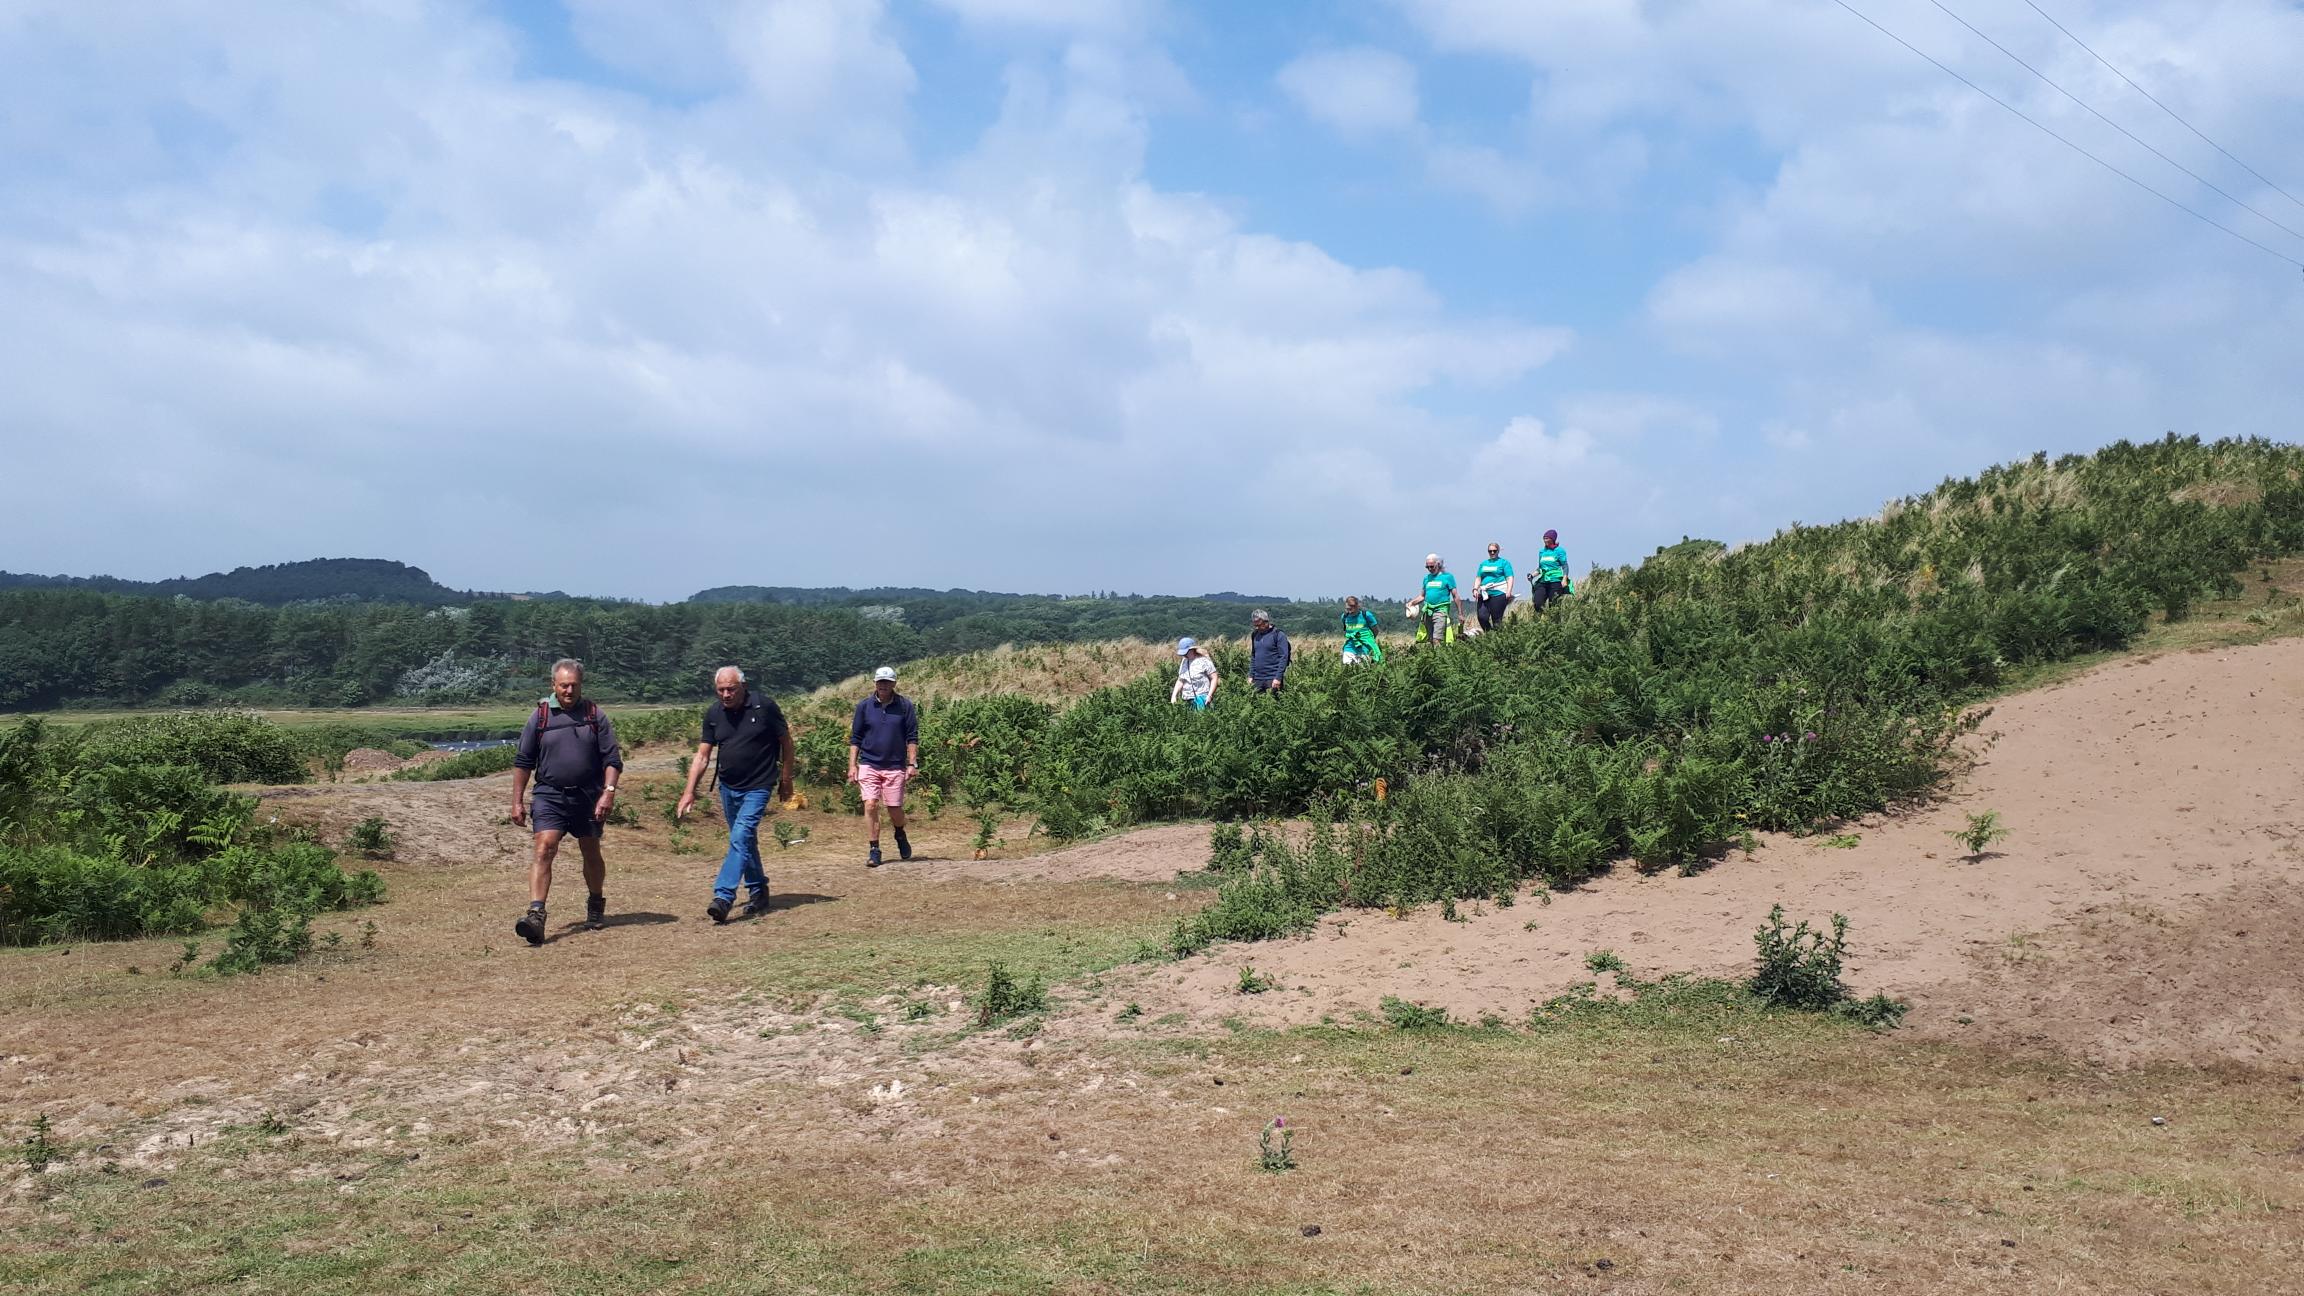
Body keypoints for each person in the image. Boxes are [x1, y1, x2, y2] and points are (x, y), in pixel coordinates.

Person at [507, 659, 622, 946]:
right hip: (550, 794)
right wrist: (517, 801)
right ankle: (536, 914)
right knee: (544, 847)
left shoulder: (595, 715)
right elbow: (523, 761)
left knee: (590, 851)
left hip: (588, 795)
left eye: (574, 685)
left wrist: (608, 792)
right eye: (563, 685)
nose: (569, 690)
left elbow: (612, 760)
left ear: (581, 685)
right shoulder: (540, 716)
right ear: (553, 685)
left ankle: (596, 903)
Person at [676, 665, 794, 924]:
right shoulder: (714, 713)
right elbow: (703, 755)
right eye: (721, 690)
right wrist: (689, 791)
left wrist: (786, 780)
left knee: (740, 836)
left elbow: (786, 742)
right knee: (744, 840)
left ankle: (723, 896)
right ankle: (758, 890)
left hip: (759, 786)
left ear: (743, 686)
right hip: (728, 787)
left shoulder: (764, 707)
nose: (726, 694)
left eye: (731, 689)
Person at [848, 666, 920, 868]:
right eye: (880, 682)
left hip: (895, 765)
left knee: (894, 808)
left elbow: (912, 737)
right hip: (869, 762)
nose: (883, 686)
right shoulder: (864, 707)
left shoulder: (905, 706)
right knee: (870, 804)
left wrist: (912, 763)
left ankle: (900, 833)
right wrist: (852, 765)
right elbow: (856, 738)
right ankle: (874, 849)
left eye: (887, 682)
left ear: (894, 684)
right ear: (875, 683)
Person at [1412, 553, 1461, 646]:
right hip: (1428, 611)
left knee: (1436, 639)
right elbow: (1422, 596)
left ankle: (1440, 658)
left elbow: (1455, 596)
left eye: (1432, 566)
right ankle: (1436, 657)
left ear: (1438, 564)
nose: (1430, 569)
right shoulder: (1426, 578)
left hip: (1441, 610)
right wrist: (1411, 603)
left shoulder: (1447, 577)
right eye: (1427, 567)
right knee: (1431, 640)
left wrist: (1460, 613)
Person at [1248, 609, 1292, 693]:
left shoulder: (1278, 635)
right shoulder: (1254, 635)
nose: (1257, 627)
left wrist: (1278, 678)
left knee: (1273, 704)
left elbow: (1284, 657)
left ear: (1266, 622)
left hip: (1272, 678)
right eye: (1255, 625)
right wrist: (1251, 675)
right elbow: (1254, 656)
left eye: (1259, 625)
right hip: (1257, 679)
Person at [1475, 541, 1515, 631]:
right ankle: (1490, 635)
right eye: (1490, 551)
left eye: (1494, 551)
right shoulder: (1483, 564)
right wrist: (1475, 589)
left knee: (1496, 619)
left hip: (1498, 593)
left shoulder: (1504, 563)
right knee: (1482, 617)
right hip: (1484, 593)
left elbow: (1510, 577)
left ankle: (1498, 639)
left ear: (1498, 551)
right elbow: (1478, 577)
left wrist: (1508, 591)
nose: (1492, 553)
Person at [1170, 637, 1219, 708]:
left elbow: (1214, 678)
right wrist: (1174, 696)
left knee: (1202, 718)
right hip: (1187, 699)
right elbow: (1181, 680)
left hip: (1202, 698)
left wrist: (1209, 695)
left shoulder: (1204, 661)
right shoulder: (1184, 661)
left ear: (1192, 650)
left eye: (1186, 652)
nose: (1184, 655)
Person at [1530, 529, 1572, 613]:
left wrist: (1564, 579)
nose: (1545, 540)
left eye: (1547, 538)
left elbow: (1565, 566)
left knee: (1554, 605)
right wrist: (1532, 575)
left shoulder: (1559, 551)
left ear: (1552, 539)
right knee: (1537, 602)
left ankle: (1554, 623)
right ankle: (1544, 618)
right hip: (1543, 580)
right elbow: (1540, 568)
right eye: (1544, 538)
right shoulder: (1542, 552)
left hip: (1555, 580)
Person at [1340, 595, 1383, 664]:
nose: (1349, 611)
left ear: (1357, 606)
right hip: (1350, 646)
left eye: (1351, 609)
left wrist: (1369, 639)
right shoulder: (1344, 617)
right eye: (1347, 609)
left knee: (1363, 667)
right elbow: (1346, 630)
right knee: (1347, 666)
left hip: (1364, 646)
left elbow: (1375, 630)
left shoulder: (1366, 615)